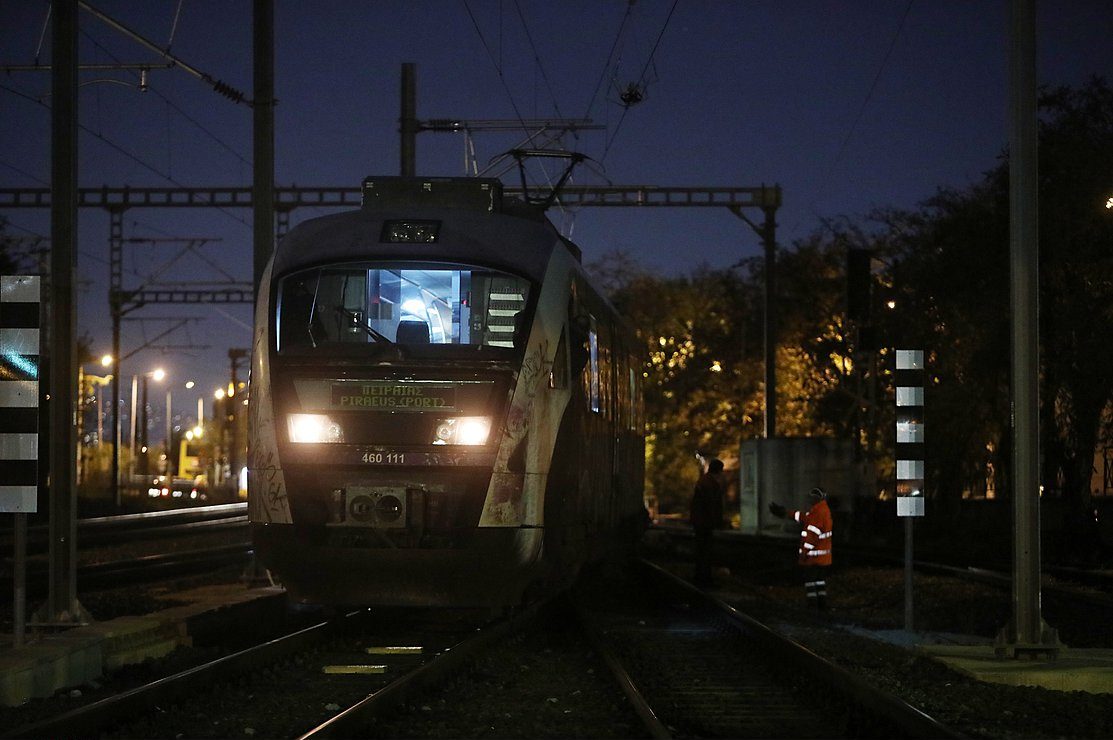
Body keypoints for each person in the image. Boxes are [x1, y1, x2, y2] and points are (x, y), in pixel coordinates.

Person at [769, 487, 833, 610]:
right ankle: (821, 604)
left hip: (813, 557)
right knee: (819, 580)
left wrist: (804, 553)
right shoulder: (821, 510)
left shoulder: (817, 513)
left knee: (810, 581)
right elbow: (803, 517)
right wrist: (785, 513)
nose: (809, 499)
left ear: (816, 498)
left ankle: (812, 605)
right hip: (822, 558)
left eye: (811, 496)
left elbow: (811, 536)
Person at [690, 457, 725, 586]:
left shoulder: (703, 481)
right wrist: (717, 521)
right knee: (705, 550)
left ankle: (700, 576)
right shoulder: (710, 484)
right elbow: (711, 504)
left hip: (700, 521)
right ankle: (704, 578)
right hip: (705, 522)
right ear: (718, 470)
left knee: (701, 550)